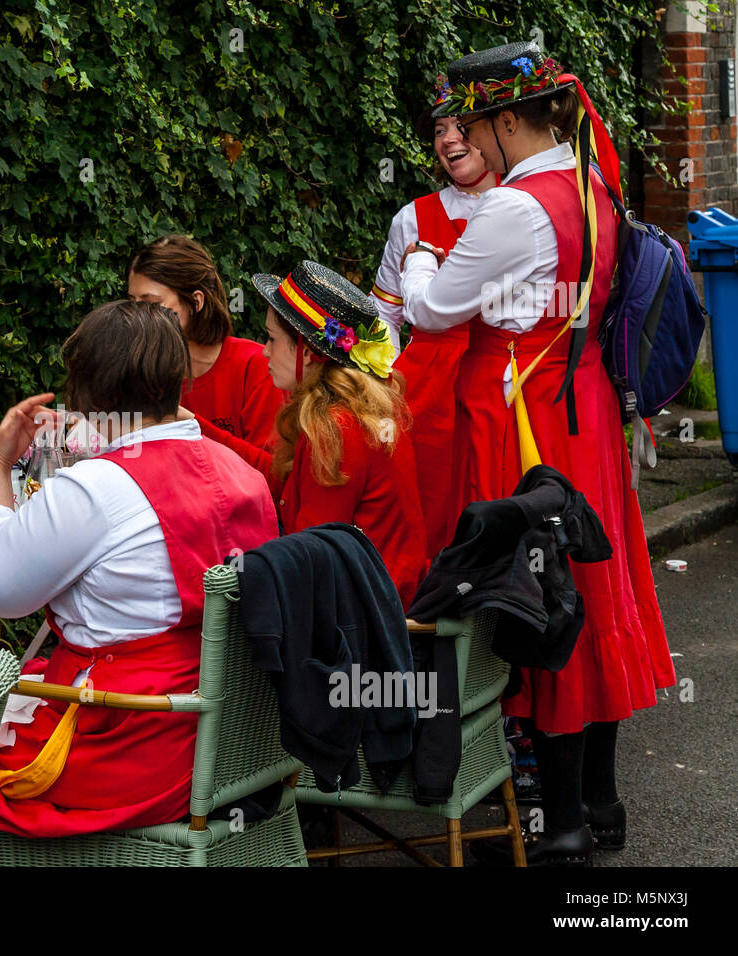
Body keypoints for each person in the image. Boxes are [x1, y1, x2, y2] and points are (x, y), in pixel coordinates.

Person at [400, 41, 675, 864]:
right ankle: (599, 802)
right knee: (588, 587)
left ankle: (556, 826)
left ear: (508, 120)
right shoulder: (589, 182)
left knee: (535, 592)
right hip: (580, 406)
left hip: (523, 421)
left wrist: (418, 261)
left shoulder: (514, 211)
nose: (464, 143)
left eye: (475, 125)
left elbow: (438, 311)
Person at [0, 300, 278, 837]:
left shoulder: (95, 489)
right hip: (233, 747)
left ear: (87, 398)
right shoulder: (246, 476)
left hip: (127, 747)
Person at [250, 260, 426, 609]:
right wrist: (197, 428)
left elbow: (309, 560)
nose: (265, 351)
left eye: (272, 339)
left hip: (363, 626)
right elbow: (280, 477)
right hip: (383, 604)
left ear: (309, 352)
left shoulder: (334, 429)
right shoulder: (359, 412)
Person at [370, 109, 499, 561]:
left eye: (460, 127)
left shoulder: (522, 205)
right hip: (425, 392)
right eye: (439, 130)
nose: (448, 140)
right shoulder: (412, 217)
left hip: (499, 378)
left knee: (492, 496)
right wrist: (387, 378)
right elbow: (385, 312)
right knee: (429, 504)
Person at [127, 235, 285, 466]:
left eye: (151, 304)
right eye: (133, 302)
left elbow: (273, 473)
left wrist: (191, 424)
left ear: (195, 302)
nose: (138, 316)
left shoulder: (255, 365)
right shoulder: (139, 371)